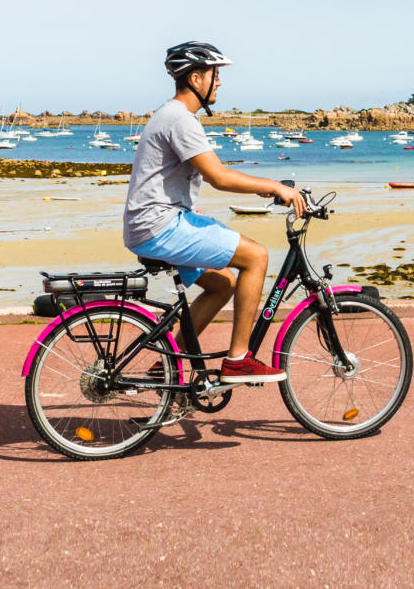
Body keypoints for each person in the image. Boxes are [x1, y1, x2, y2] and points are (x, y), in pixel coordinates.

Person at [121, 42, 306, 383]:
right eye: (215, 74)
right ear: (195, 78)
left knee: (223, 284)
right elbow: (218, 177)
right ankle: (238, 360)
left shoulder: (171, 115)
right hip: (160, 226)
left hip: (151, 224)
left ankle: (167, 363)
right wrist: (275, 187)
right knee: (256, 257)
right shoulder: (180, 120)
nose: (219, 82)